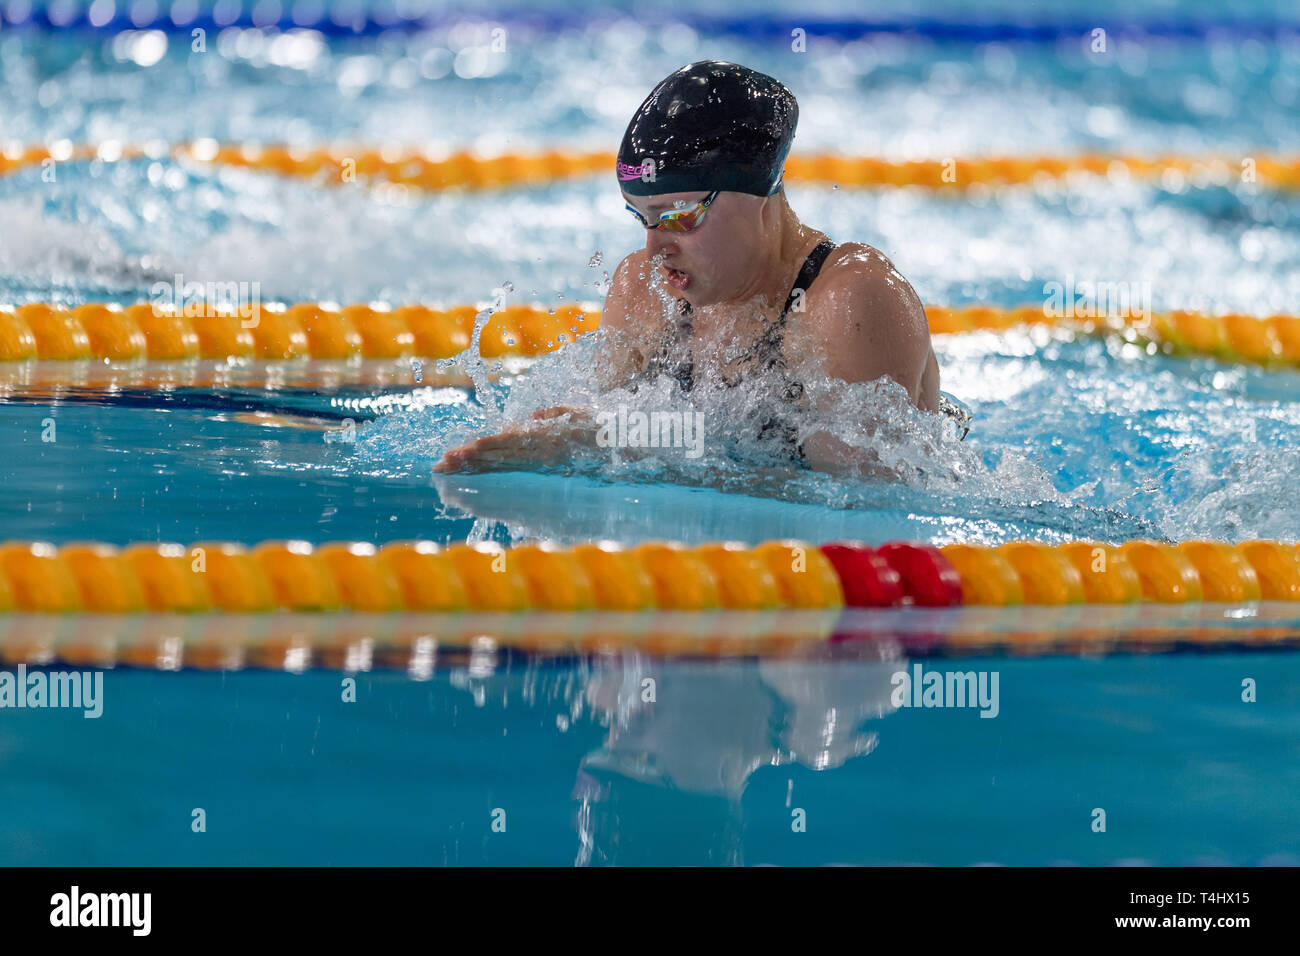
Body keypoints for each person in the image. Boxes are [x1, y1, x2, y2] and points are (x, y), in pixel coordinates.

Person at [435, 60, 969, 478]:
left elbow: (854, 501)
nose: (653, 250)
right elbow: (599, 431)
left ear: (759, 194)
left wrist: (623, 444)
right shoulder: (644, 292)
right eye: (642, 218)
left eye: (679, 216)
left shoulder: (849, 300)